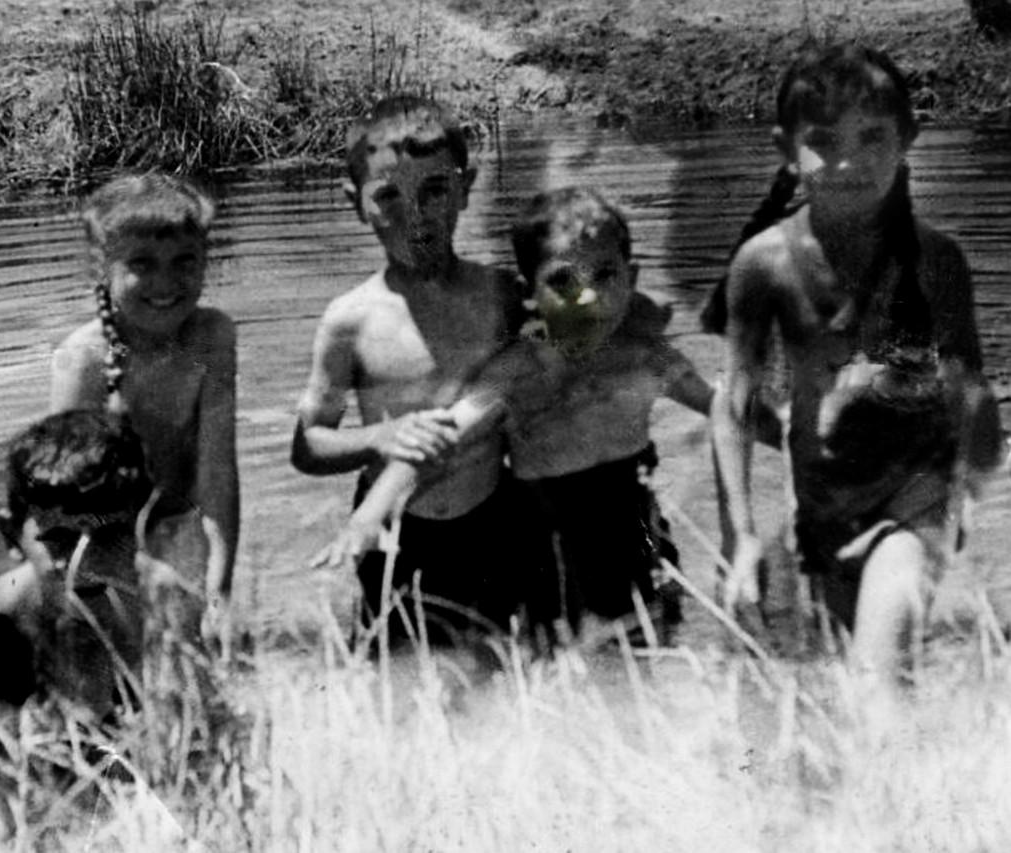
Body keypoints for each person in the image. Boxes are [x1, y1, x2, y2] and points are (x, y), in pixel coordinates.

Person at [318, 186, 782, 647]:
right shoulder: (518, 373)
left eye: (604, 275)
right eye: (562, 281)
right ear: (529, 293)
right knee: (560, 677)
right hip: (547, 556)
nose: (586, 298)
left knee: (649, 661)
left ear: (631, 277)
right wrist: (369, 517)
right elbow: (442, 437)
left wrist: (796, 440)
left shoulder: (646, 357)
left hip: (639, 542)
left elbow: (728, 409)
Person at [711, 43, 1005, 690]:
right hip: (816, 512)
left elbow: (973, 398)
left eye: (872, 137)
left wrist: (956, 509)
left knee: (875, 681)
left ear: (907, 138)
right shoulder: (764, 264)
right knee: (828, 703)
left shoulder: (937, 260)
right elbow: (731, 405)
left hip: (911, 510)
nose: (848, 161)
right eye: (823, 140)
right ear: (785, 149)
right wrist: (740, 534)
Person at [291, 95, 526, 648]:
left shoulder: (502, 296)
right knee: (397, 680)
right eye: (389, 196)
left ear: (466, 188)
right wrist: (379, 436)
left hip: (493, 517)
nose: (415, 215)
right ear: (355, 203)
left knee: (504, 678)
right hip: (397, 533)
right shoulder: (350, 320)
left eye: (434, 190)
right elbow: (307, 446)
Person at [0, 409, 208, 841]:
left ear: (142, 524)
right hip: (31, 757)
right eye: (60, 541)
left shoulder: (166, 605)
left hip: (120, 747)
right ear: (11, 537)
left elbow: (203, 739)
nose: (85, 569)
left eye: (109, 536)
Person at [51, 173, 238, 654]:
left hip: (180, 530)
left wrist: (219, 589)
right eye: (142, 264)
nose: (166, 283)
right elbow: (64, 506)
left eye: (184, 262)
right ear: (102, 268)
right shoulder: (83, 359)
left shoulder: (212, 338)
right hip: (98, 546)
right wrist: (136, 579)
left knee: (200, 668)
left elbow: (217, 473)